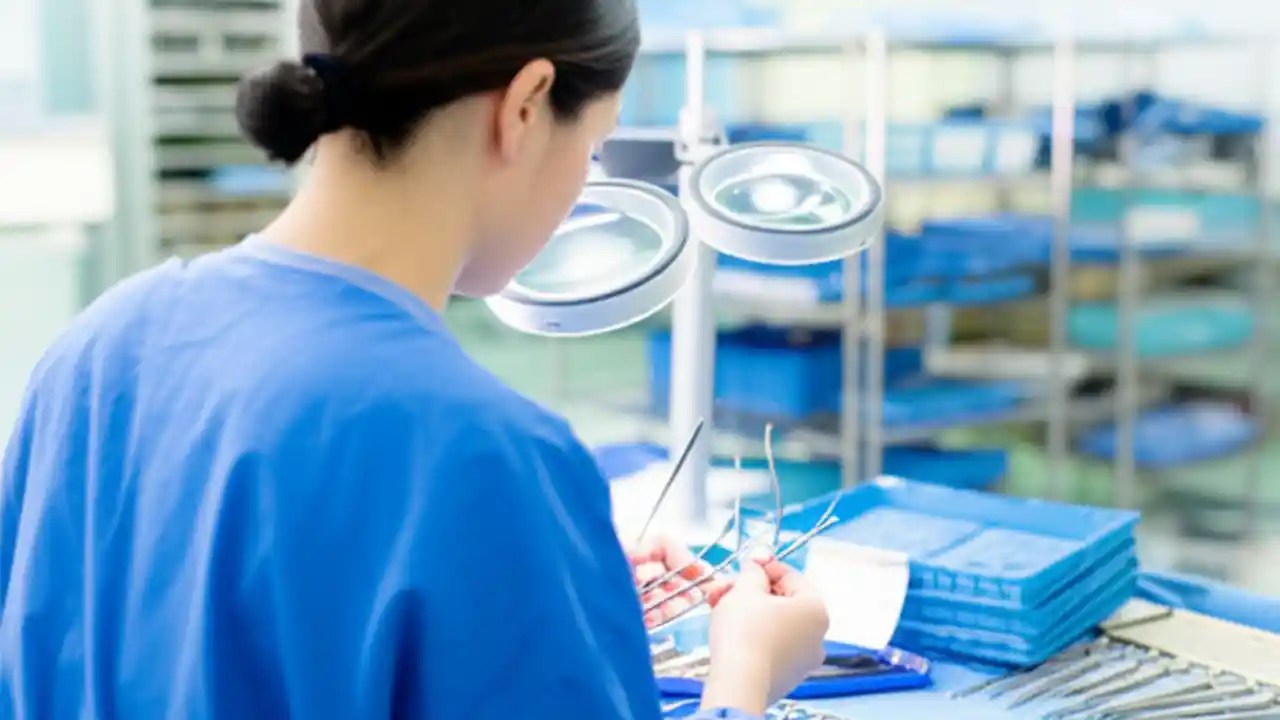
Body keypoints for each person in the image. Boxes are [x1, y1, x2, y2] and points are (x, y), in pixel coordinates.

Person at [0, 0, 831, 717]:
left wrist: (544, 577)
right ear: (528, 105)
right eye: (598, 145)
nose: (586, 182)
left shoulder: (95, 352)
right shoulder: (482, 455)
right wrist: (743, 676)